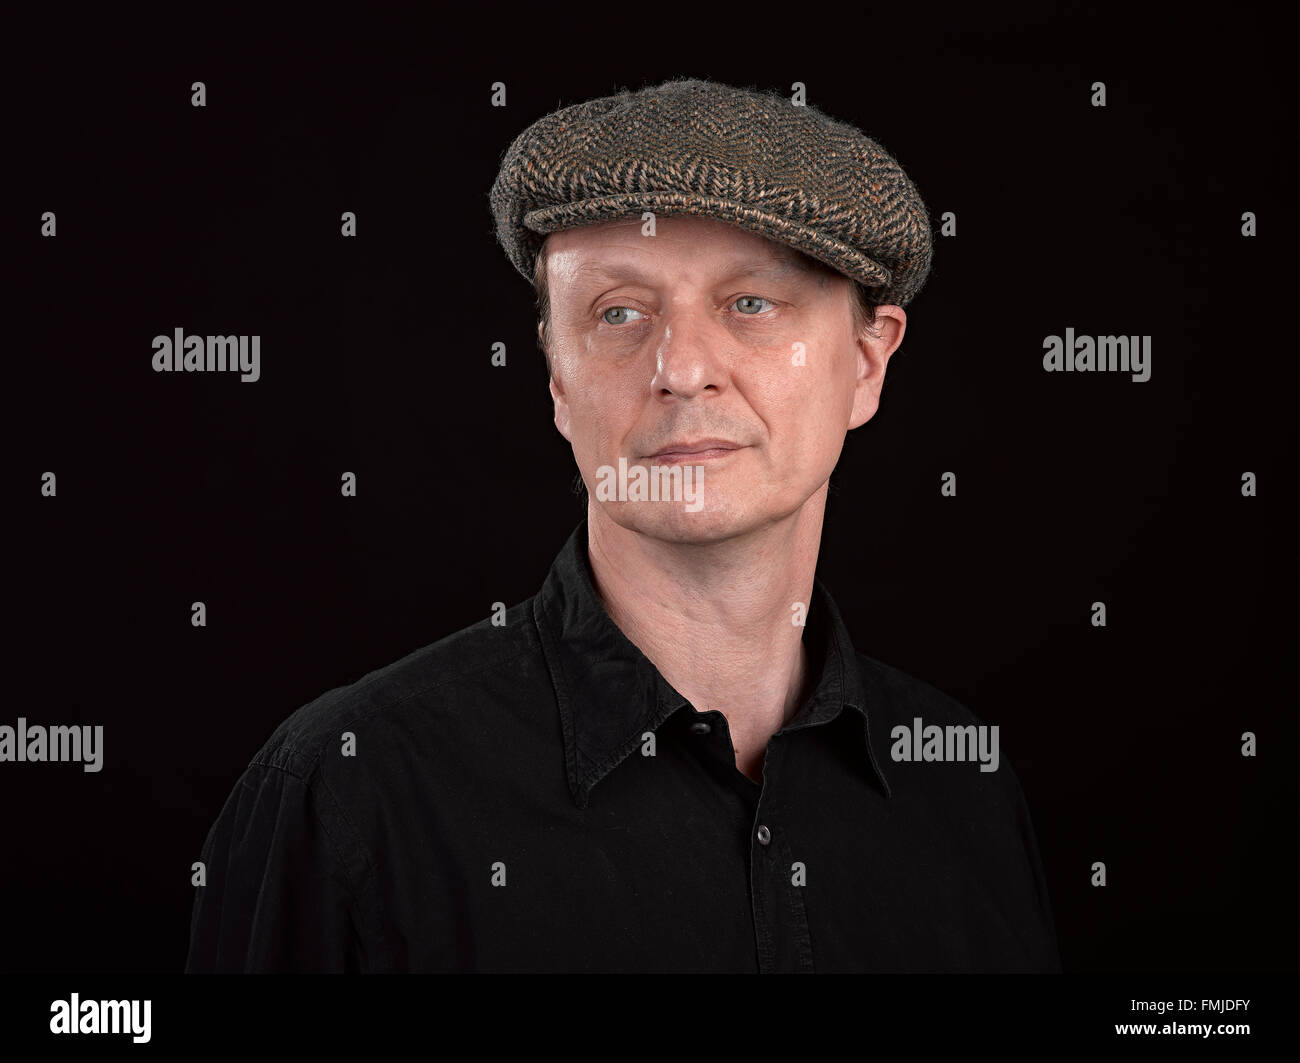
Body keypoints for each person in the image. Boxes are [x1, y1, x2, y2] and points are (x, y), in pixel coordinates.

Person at [185, 77, 1061, 973]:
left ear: (868, 363)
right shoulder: (350, 788)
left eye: (751, 303)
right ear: (557, 380)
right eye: (619, 314)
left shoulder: (963, 786)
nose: (682, 369)